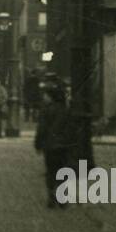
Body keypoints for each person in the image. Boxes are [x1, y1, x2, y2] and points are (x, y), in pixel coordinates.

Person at [34, 81, 76, 209]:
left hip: (50, 146)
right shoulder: (66, 110)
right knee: (63, 171)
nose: (44, 97)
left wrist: (38, 143)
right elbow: (71, 128)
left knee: (51, 171)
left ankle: (52, 198)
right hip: (63, 146)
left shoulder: (46, 110)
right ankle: (62, 199)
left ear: (51, 96)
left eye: (46, 95)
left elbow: (42, 129)